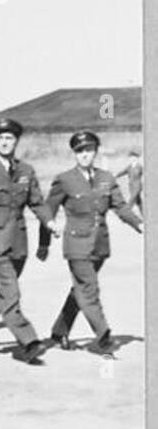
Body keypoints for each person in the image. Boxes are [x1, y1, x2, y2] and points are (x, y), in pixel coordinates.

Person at [41, 131, 143, 357]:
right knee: (89, 288)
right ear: (74, 154)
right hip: (76, 244)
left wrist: (139, 224)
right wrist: (43, 243)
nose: (84, 155)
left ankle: (59, 331)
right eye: (79, 151)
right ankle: (103, 335)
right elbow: (48, 210)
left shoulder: (106, 177)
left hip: (99, 246)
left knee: (81, 289)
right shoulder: (64, 179)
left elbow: (120, 206)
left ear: (95, 152)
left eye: (88, 150)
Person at [0, 118, 55, 363]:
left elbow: (37, 202)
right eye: (1, 139)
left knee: (1, 293)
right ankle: (28, 342)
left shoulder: (26, 170)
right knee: (10, 292)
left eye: (10, 138)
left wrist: (49, 222)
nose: (5, 143)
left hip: (18, 241)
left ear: (16, 141)